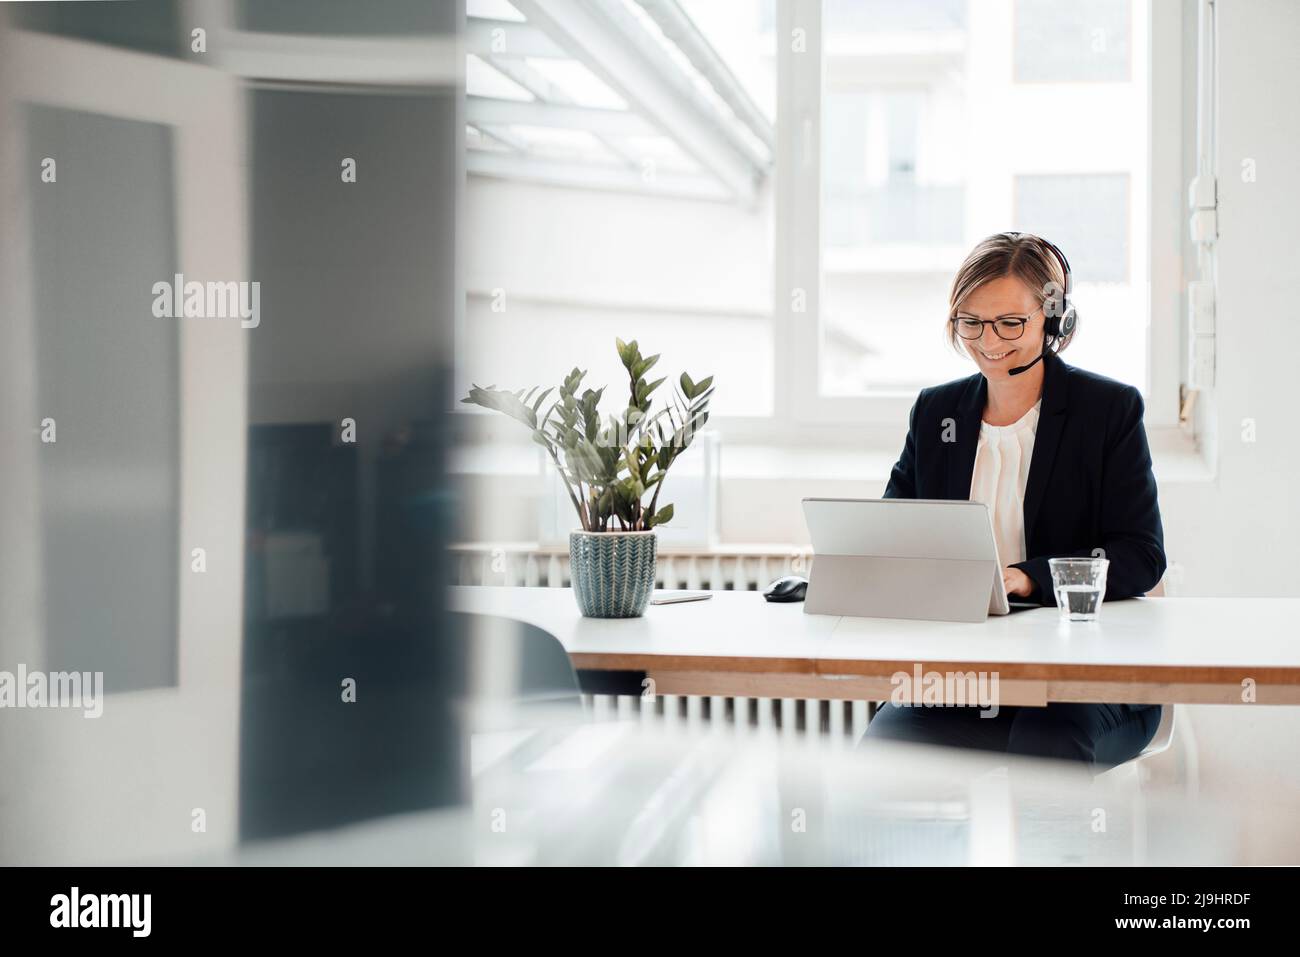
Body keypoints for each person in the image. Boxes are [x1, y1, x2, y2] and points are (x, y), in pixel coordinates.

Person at [861, 231, 1166, 770]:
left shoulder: (1108, 410)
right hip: (968, 676)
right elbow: (897, 529)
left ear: (1052, 323)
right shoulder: (939, 413)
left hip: (1086, 680)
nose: (990, 341)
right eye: (971, 322)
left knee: (1045, 748)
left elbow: (1141, 556)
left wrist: (1028, 578)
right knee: (886, 750)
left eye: (1010, 323)